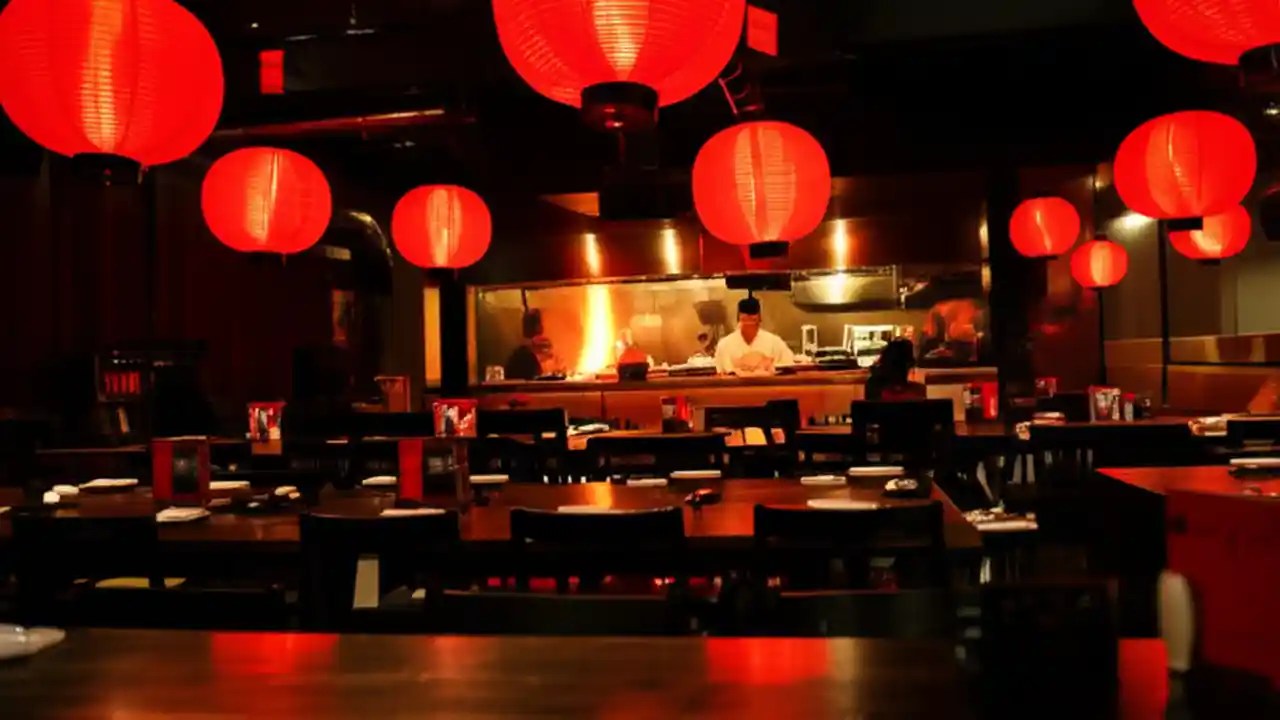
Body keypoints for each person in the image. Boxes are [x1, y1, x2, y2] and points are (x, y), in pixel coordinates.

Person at [714, 296, 794, 375]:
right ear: (739, 318)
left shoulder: (775, 342)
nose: (749, 321)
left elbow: (788, 366)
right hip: (735, 386)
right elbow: (721, 373)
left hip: (768, 386)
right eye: (745, 318)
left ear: (759, 318)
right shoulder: (724, 345)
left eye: (753, 319)